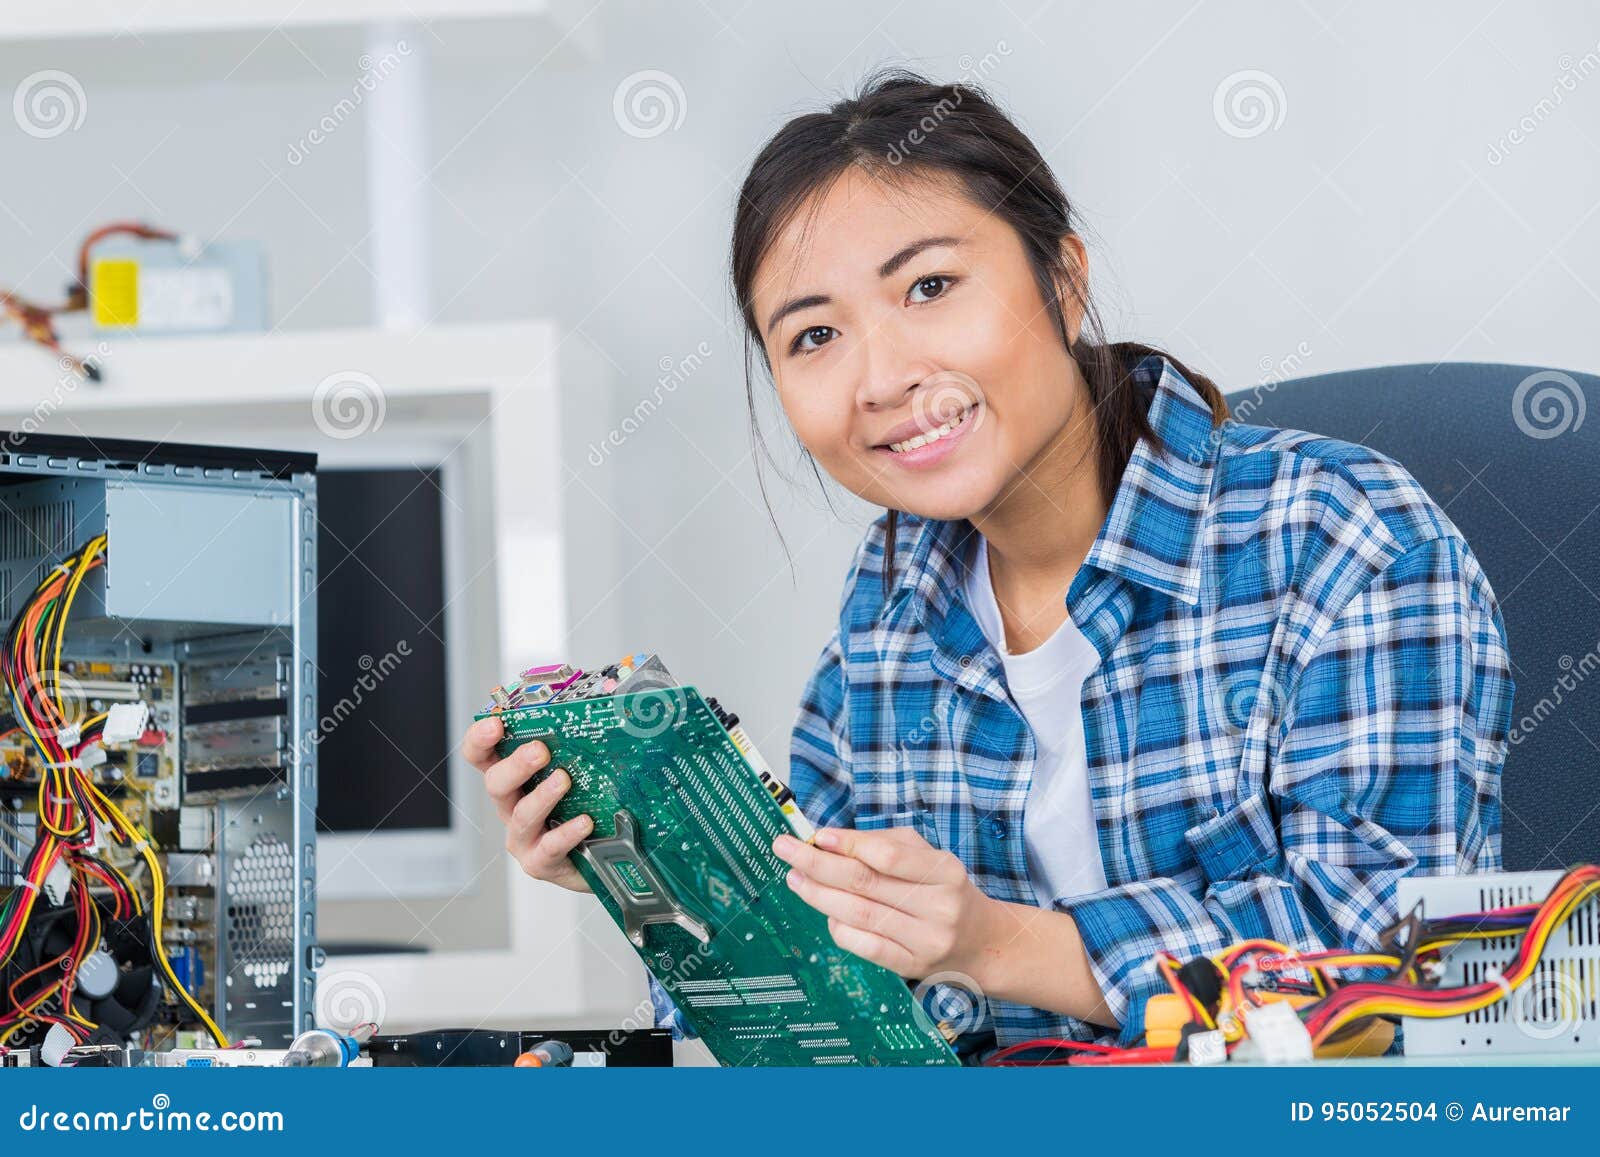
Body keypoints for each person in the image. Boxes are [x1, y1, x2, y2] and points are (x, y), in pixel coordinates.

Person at [462, 70, 1515, 1056]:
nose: (881, 375)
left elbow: (1397, 965)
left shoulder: (1340, 534)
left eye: (928, 285)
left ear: (1061, 281)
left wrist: (991, 940)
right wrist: (659, 872)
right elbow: (845, 999)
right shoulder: (887, 611)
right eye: (814, 335)